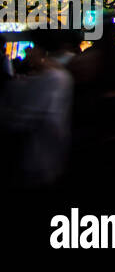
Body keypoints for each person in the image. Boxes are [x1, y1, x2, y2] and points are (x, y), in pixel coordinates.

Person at [0, 29, 74, 189]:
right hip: (42, 159)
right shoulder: (52, 76)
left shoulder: (52, 78)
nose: (28, 52)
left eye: (31, 47)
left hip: (39, 160)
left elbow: (24, 119)